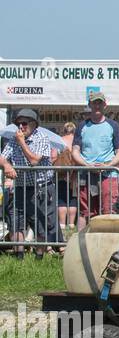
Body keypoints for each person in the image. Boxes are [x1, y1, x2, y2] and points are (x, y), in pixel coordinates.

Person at [1, 108, 63, 255]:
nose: (20, 127)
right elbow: (2, 156)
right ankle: (19, 258)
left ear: (34, 124)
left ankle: (39, 258)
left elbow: (34, 160)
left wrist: (22, 142)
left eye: (24, 124)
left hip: (41, 188)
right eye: (18, 124)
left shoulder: (41, 138)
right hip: (20, 187)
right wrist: (6, 165)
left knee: (41, 225)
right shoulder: (13, 140)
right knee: (16, 223)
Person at [71, 91, 119, 220]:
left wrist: (108, 165)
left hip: (108, 175)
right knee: (86, 213)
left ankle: (109, 239)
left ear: (105, 105)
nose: (97, 106)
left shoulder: (113, 125)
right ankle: (85, 240)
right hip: (86, 174)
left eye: (99, 103)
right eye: (94, 103)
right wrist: (87, 165)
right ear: (89, 104)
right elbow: (75, 151)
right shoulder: (82, 126)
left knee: (109, 211)